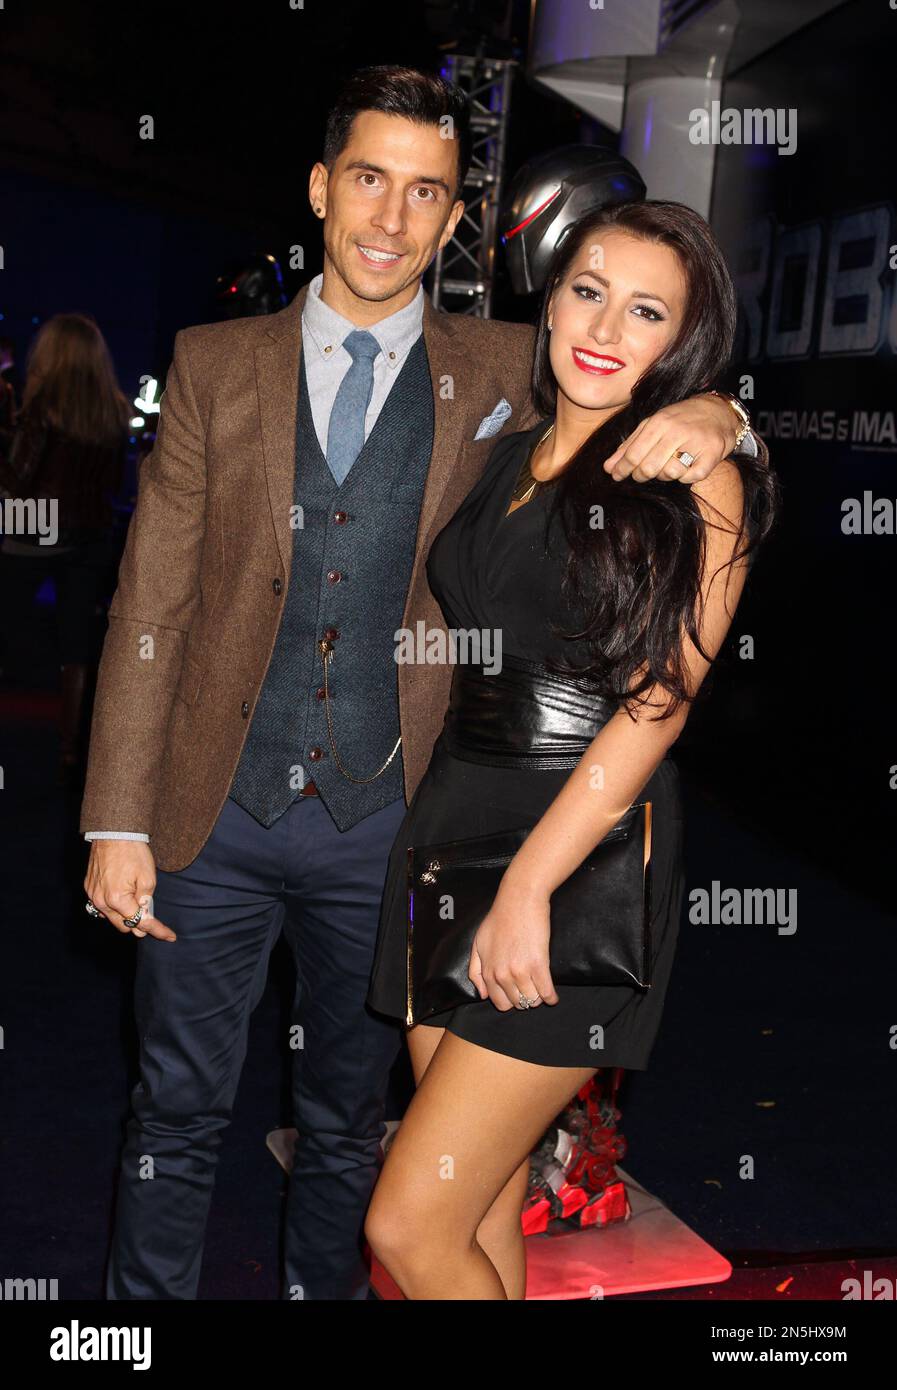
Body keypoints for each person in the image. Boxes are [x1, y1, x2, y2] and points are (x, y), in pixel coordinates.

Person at [79, 66, 766, 1302]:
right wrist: (116, 816)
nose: (391, 220)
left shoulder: (513, 361)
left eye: (428, 194)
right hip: (221, 814)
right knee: (175, 1114)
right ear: (319, 189)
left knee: (363, 1148)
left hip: (394, 826)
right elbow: (151, 604)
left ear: (458, 220)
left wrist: (728, 420)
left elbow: (668, 384)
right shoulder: (215, 362)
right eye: (368, 181)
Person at [364, 199, 779, 1300]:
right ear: (547, 297)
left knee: (409, 1223)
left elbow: (658, 708)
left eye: (647, 311)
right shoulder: (506, 449)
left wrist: (729, 420)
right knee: (480, 1205)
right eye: (588, 289)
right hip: (451, 832)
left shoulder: (698, 478)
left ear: (678, 346)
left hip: (577, 863)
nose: (606, 325)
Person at [0, 314, 129, 779]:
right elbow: (116, 482)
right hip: (91, 533)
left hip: (35, 530)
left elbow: (16, 482)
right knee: (76, 645)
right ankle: (70, 749)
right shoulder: (114, 410)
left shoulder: (41, 409)